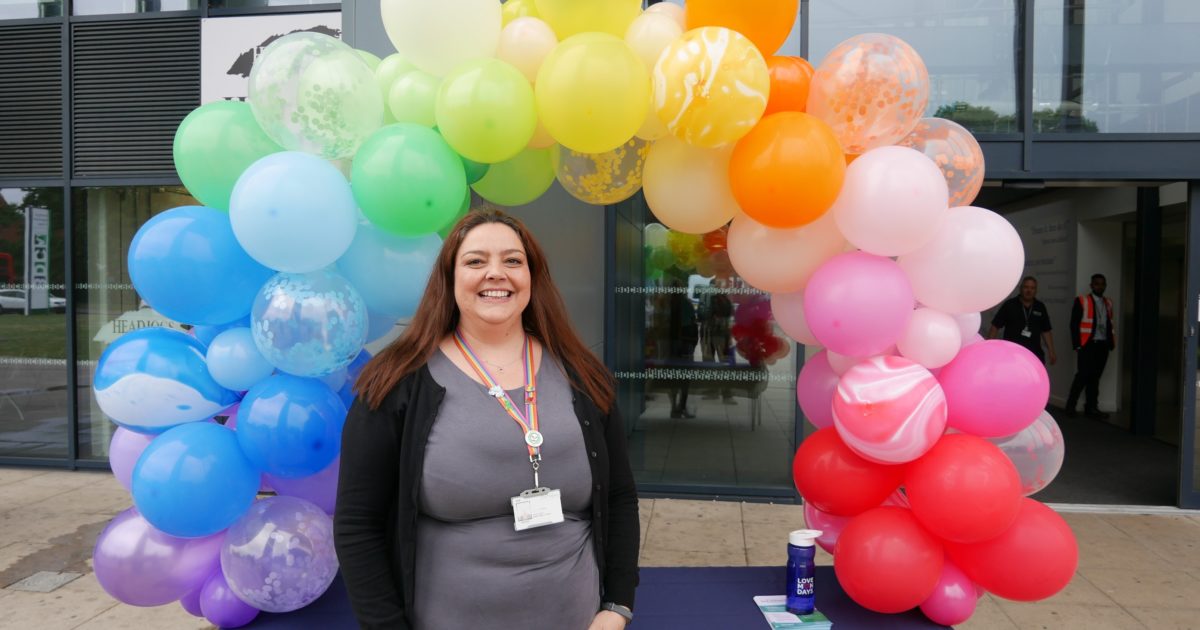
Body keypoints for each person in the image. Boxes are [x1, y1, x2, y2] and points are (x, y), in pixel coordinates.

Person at [334, 209, 639, 630]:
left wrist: (617, 607)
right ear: (449, 278)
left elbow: (620, 496)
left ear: (533, 277)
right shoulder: (396, 382)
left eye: (513, 261)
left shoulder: (582, 374)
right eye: (476, 261)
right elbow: (357, 524)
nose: (496, 273)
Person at [1066, 273, 1115, 419]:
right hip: (1087, 344)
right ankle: (1070, 406)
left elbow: (1109, 324)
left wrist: (1110, 343)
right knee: (1082, 375)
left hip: (1102, 345)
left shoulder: (1108, 303)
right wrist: (1077, 345)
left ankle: (1091, 407)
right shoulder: (1082, 300)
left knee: (1095, 377)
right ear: (1091, 285)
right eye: (1097, 284)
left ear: (1105, 285)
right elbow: (1074, 324)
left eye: (1102, 284)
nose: (1099, 286)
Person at [987, 276, 1057, 365]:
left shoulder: (1040, 307)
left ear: (1036, 290)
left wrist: (1051, 351)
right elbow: (995, 326)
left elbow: (1046, 330)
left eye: (1032, 288)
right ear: (1021, 288)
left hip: (1034, 354)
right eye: (1026, 287)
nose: (1029, 291)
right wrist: (987, 348)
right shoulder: (1010, 305)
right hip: (1012, 354)